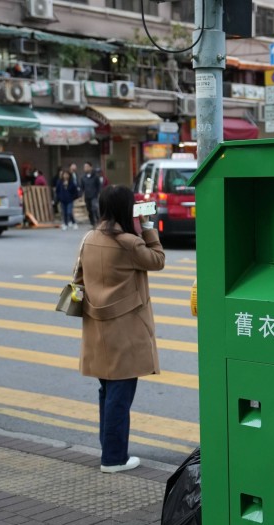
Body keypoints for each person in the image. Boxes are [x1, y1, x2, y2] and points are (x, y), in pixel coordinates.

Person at [74, 184, 165, 472]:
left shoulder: (89, 239)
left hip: (97, 329)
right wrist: (148, 226)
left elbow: (78, 278)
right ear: (128, 209)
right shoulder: (130, 243)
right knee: (120, 395)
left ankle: (109, 448)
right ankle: (114, 458)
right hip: (125, 330)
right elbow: (158, 260)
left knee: (107, 390)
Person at [81, 162, 103, 227]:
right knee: (89, 209)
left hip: (94, 196)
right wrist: (81, 195)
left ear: (91, 167)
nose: (85, 168)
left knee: (95, 208)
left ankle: (99, 221)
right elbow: (82, 188)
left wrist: (99, 193)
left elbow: (99, 186)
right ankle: (92, 222)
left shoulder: (96, 177)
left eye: (87, 166)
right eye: (84, 167)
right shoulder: (83, 178)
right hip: (87, 196)